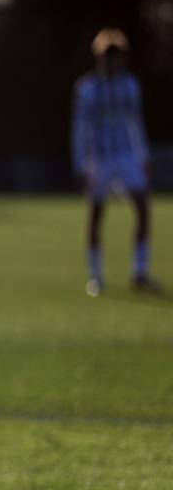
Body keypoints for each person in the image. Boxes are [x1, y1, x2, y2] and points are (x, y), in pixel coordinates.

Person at [72, 28, 158, 295]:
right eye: (108, 57)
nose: (112, 62)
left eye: (117, 57)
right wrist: (82, 164)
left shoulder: (129, 85)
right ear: (99, 58)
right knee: (96, 214)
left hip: (127, 156)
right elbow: (80, 129)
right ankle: (95, 276)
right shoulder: (87, 89)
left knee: (143, 208)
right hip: (100, 159)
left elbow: (135, 123)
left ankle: (139, 272)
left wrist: (142, 156)